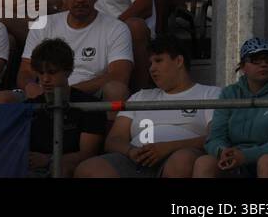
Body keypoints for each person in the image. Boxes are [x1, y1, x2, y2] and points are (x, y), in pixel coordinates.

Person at [76, 35, 219, 178]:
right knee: (88, 169)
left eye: (158, 61)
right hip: (135, 159)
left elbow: (216, 137)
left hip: (181, 155)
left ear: (179, 61)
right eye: (150, 63)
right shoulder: (140, 96)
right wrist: (130, 151)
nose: (152, 69)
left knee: (182, 159)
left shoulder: (210, 93)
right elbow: (114, 139)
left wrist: (168, 147)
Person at [195, 38, 268, 179]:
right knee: (204, 163)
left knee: (267, 162)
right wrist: (222, 151)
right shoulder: (229, 93)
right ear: (243, 67)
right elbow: (215, 137)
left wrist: (246, 156)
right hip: (239, 158)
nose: (263, 64)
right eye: (255, 60)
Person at [17, 0, 132, 103]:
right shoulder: (43, 23)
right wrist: (30, 86)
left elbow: (119, 76)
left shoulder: (117, 28)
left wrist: (67, 92)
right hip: (44, 97)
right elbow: (25, 71)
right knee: (2, 99)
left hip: (89, 98)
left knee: (116, 90)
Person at [3, 38, 104, 176]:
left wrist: (48, 159)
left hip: (70, 169)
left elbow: (88, 153)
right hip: (31, 170)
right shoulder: (29, 108)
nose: (45, 79)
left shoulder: (90, 106)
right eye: (40, 73)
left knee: (62, 169)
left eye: (51, 72)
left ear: (68, 71)